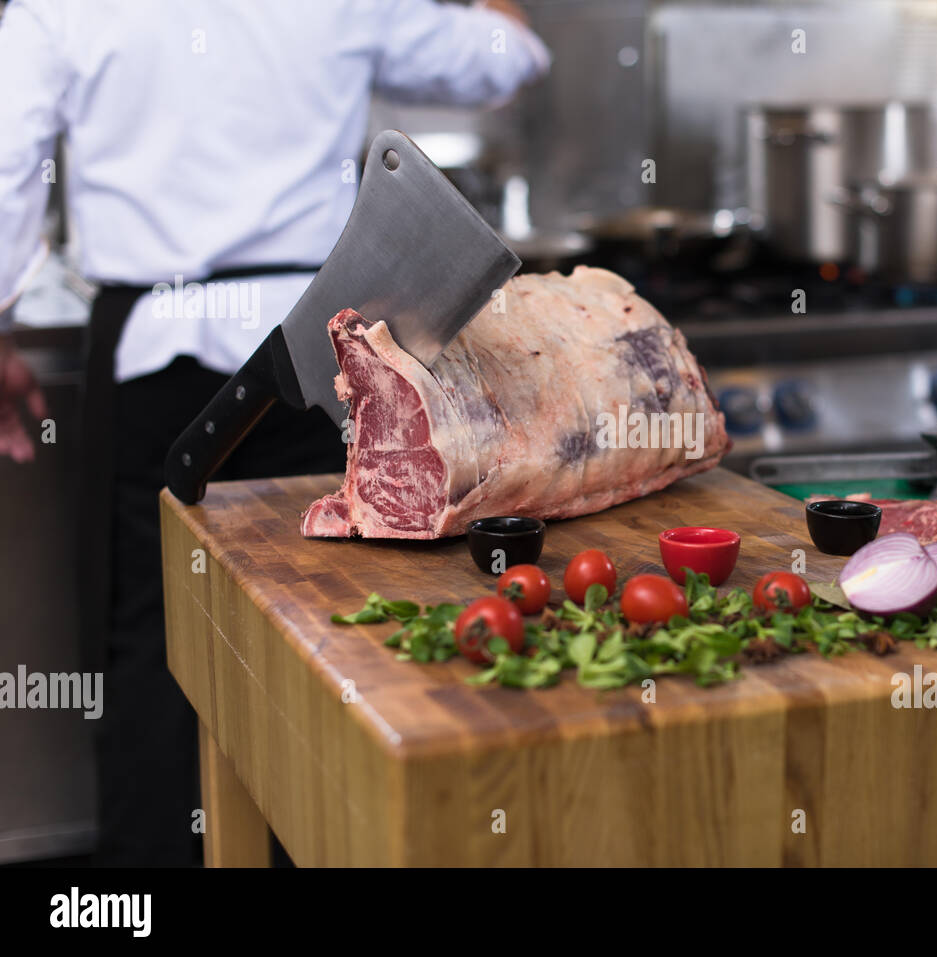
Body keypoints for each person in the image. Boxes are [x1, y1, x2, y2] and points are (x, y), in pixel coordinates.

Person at [0, 0, 549, 866]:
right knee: (329, 635)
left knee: (153, 641)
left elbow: (6, 153)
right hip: (324, 358)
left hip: (158, 361)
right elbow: (502, 60)